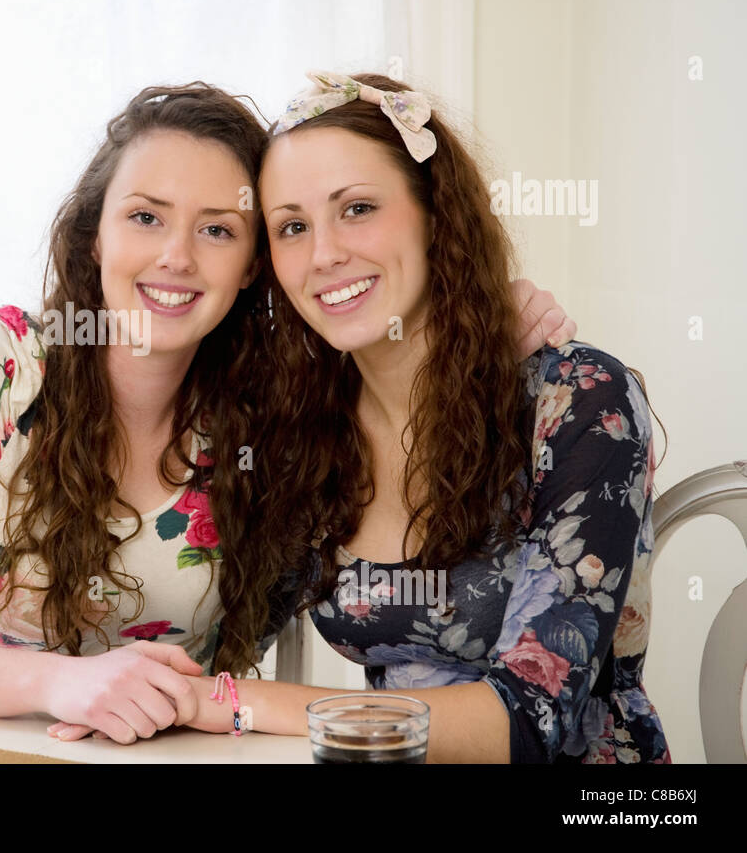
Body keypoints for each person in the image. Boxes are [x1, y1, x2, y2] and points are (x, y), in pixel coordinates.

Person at [0, 81, 576, 746]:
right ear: (93, 235)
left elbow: (389, 346)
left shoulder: (272, 414)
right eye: (145, 217)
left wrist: (473, 320)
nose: (176, 255)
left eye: (217, 229)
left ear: (252, 268)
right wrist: (58, 684)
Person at [50, 71, 668, 762]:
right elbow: (218, 635)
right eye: (291, 226)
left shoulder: (579, 401)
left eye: (357, 209)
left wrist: (225, 702)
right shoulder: (305, 433)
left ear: (436, 213)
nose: (324, 254)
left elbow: (531, 720)